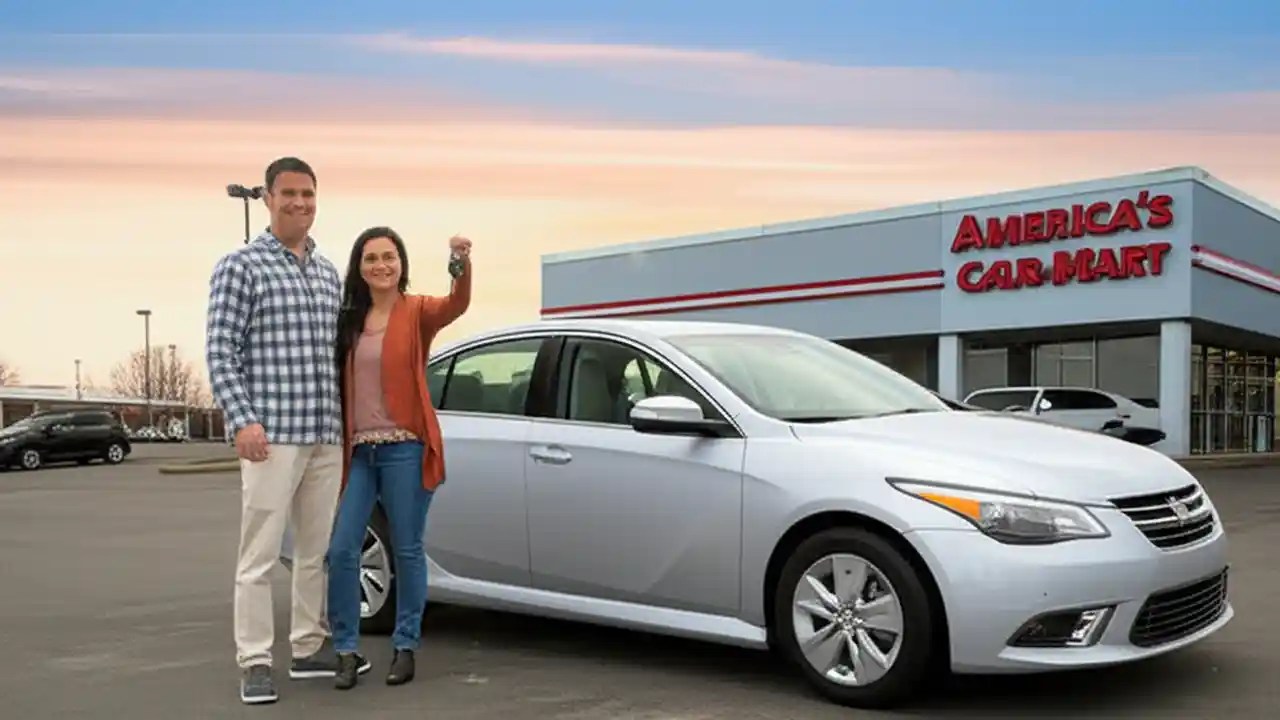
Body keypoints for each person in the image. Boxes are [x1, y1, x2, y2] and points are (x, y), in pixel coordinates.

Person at [205, 156, 368, 705]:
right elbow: (220, 352)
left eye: (309, 195)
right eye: (289, 194)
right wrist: (242, 420)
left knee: (313, 551)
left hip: (325, 434)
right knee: (258, 556)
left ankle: (307, 646)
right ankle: (254, 659)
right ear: (269, 198)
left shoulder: (326, 272)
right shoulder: (241, 266)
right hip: (272, 436)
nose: (300, 203)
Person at [325, 226, 472, 690]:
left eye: (389, 257)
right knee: (343, 549)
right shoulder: (350, 319)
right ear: (360, 267)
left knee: (407, 549)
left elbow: (457, 304)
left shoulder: (417, 311)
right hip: (361, 454)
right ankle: (346, 649)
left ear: (401, 263)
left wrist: (460, 263)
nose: (381, 265)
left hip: (405, 448)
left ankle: (405, 645)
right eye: (371, 258)